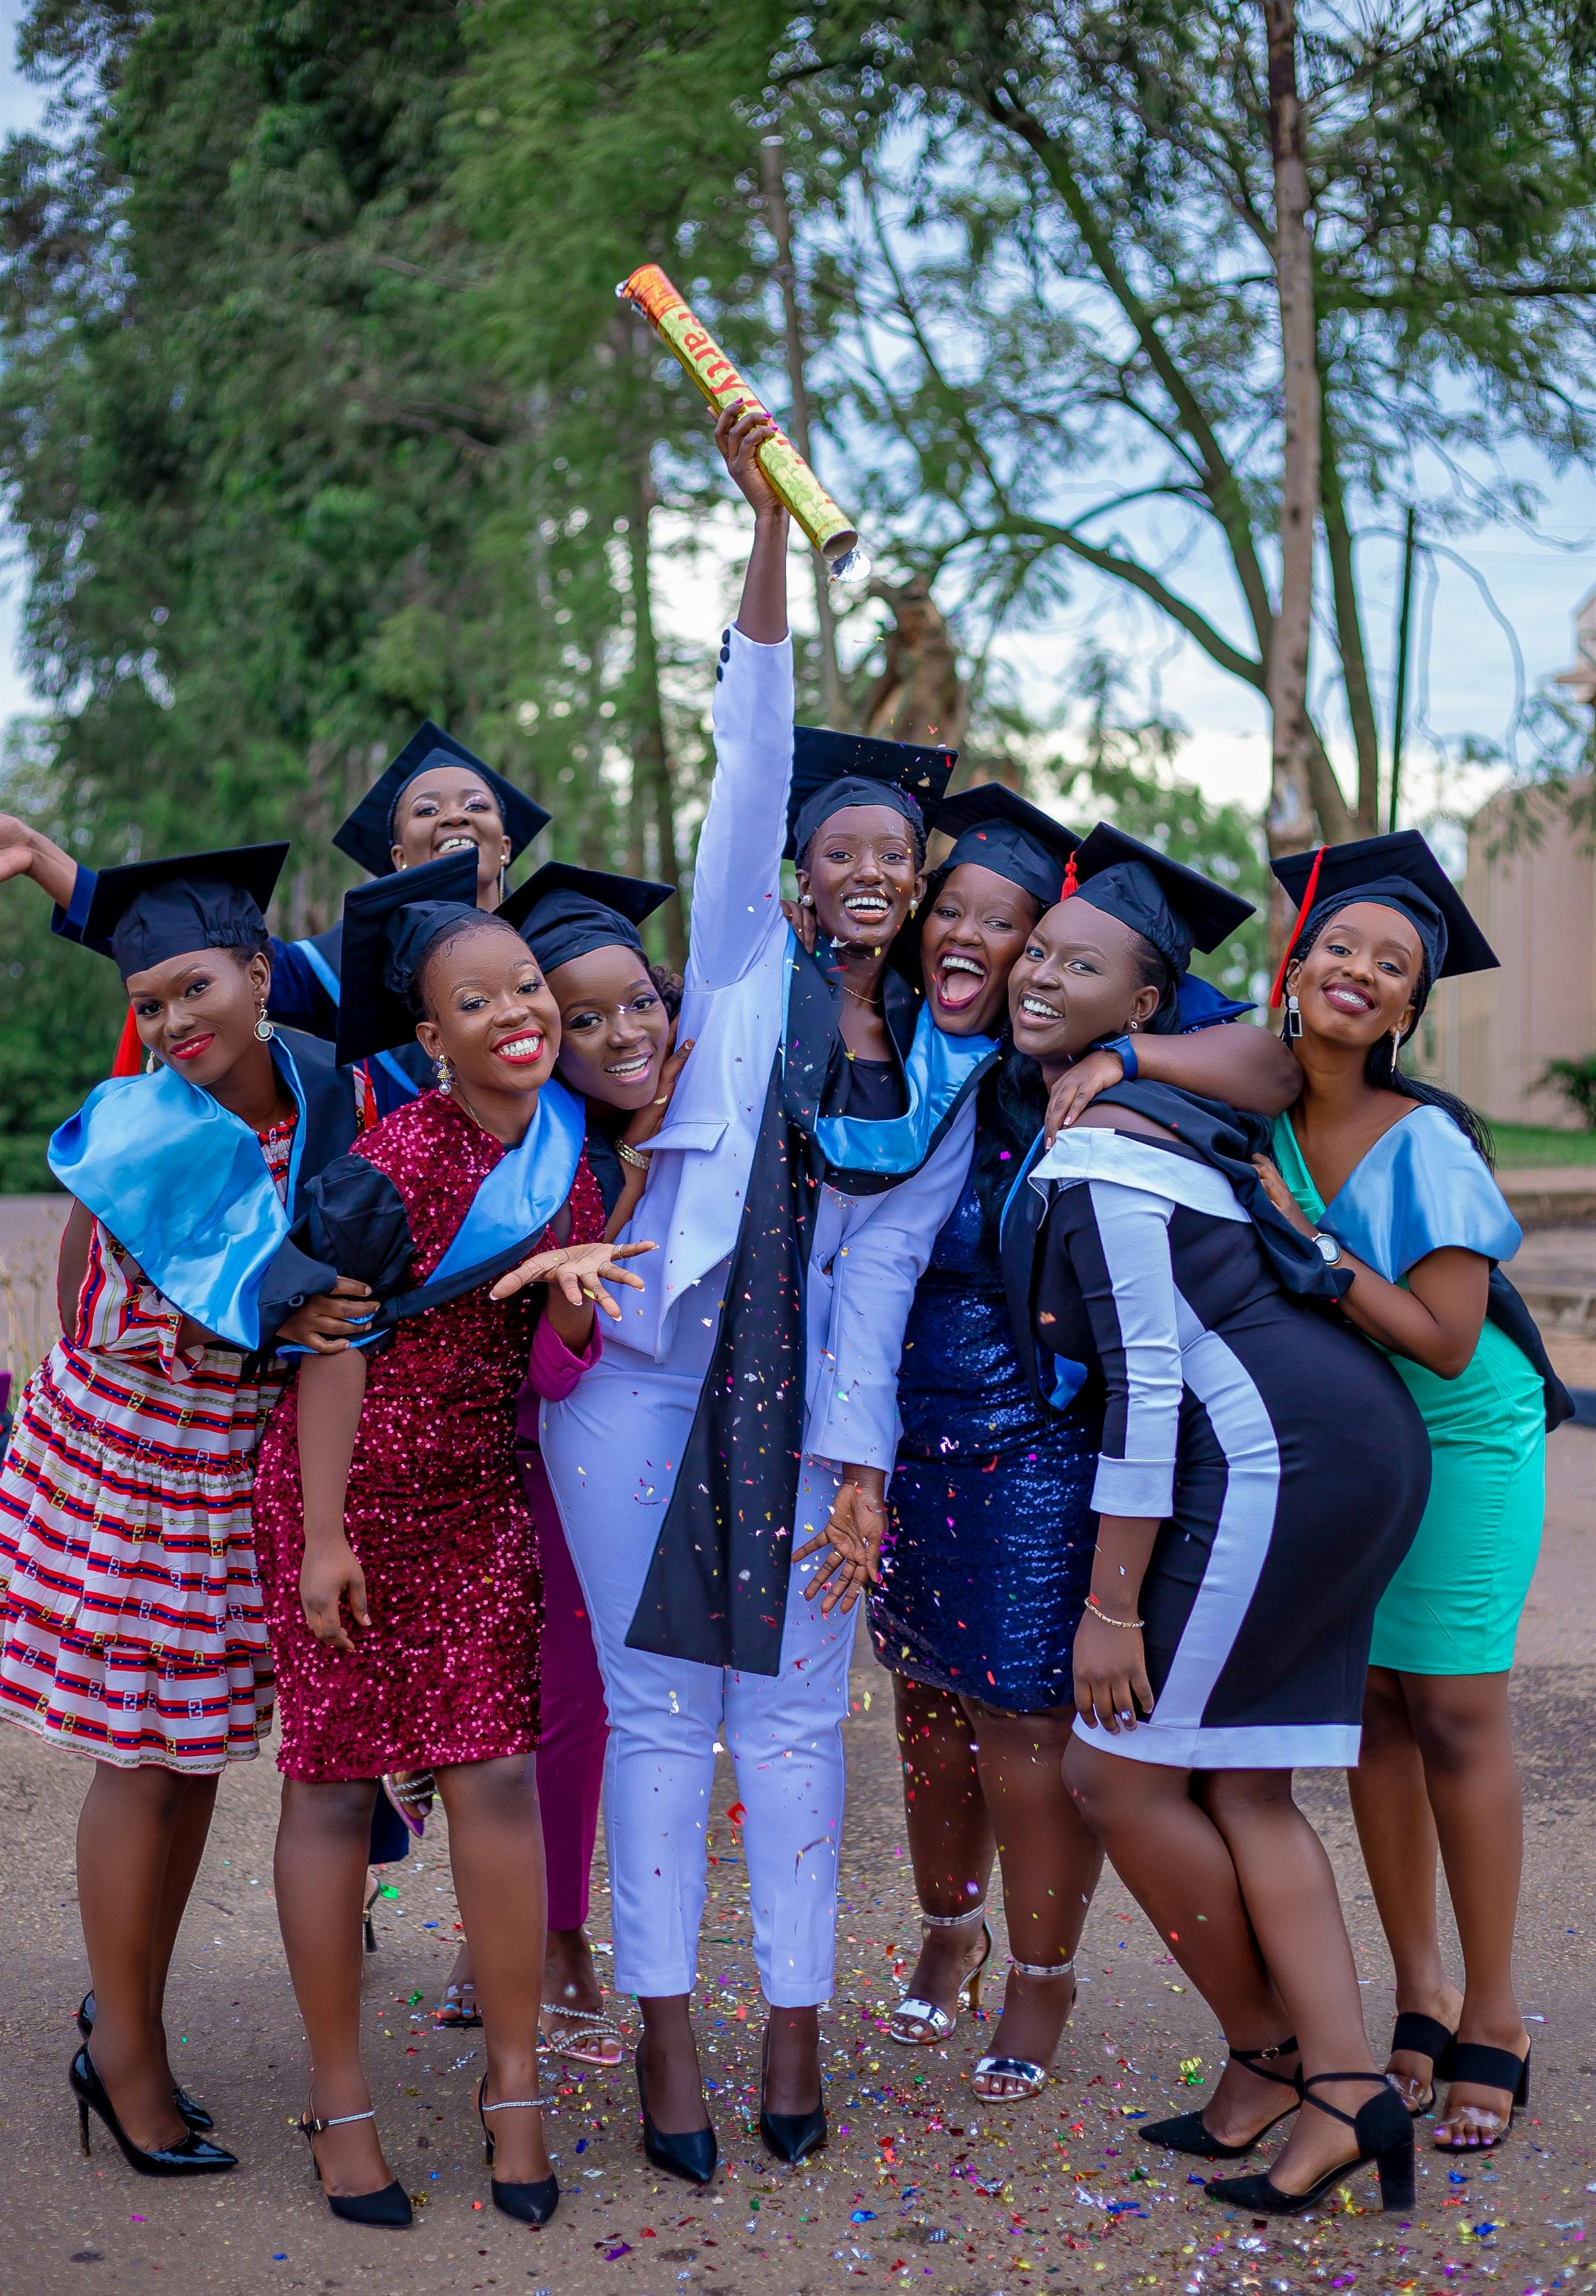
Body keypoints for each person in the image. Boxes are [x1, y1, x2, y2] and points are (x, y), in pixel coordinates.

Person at [535, 403, 981, 2180]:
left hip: (806, 1410)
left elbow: (871, 1280)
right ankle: (665, 2041)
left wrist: (859, 1461)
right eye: (838, 849)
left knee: (795, 1714)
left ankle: (789, 2025)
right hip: (646, 1380)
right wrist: (771, 536)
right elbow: (748, 741)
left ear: (918, 881)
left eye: (893, 856)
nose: (866, 871)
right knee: (655, 1712)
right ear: (800, 869)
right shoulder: (729, 963)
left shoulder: (933, 1080)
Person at [997, 824, 1431, 2215]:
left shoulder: (1113, 1147)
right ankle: (1307, 2076)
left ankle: (1318, 2070)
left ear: (1142, 1004)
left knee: (1114, 1767)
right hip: (1324, 1445)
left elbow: (1144, 1388)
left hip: (1278, 1457)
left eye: (1082, 964)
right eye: (1037, 950)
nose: (1039, 973)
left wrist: (1107, 1606)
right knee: (1238, 1779)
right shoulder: (1138, 1107)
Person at [865, 786, 1301, 2101]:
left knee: (1018, 1717)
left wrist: (1127, 1060)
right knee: (922, 1707)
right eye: (967, 916)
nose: (995, 948)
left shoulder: (1070, 1066)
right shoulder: (910, 1041)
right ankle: (950, 1920)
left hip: (1036, 1437)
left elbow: (1270, 1066)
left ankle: (1039, 1975)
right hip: (906, 1429)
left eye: (1021, 930)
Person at [252, 853, 649, 2230]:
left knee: (493, 1771)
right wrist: (316, 1538)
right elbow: (331, 1352)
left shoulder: (579, 1158)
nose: (517, 1014)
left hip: (477, 1491)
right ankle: (343, 2102)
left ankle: (515, 2084)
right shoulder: (393, 1162)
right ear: (431, 1038)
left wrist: (574, 1299)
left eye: (525, 986)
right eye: (475, 1002)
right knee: (329, 1785)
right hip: (347, 1496)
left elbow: (552, 1365)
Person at [0, 844, 362, 2176]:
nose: (171, 1023)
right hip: (137, 1461)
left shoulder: (331, 1099)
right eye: (148, 1002)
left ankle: (129, 2010)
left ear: (262, 975)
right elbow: (101, 1297)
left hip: (240, 1463)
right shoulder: (145, 1123)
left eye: (193, 987)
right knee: (141, 1759)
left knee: (197, 1753)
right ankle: (127, 2054)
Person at [1255, 830, 1565, 2154]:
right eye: (1339, 944)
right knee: (1370, 1711)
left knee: (1448, 1706)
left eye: (1390, 964)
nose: (1358, 970)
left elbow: (1442, 1336)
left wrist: (1308, 1244)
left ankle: (1492, 2012)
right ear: (1294, 961)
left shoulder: (1422, 1137)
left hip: (1459, 1426)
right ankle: (1418, 1994)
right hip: (1350, 1434)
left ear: (1403, 1009)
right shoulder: (1255, 1102)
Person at [422, 861, 691, 2065]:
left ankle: (576, 1936)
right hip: (484, 1456)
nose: (611, 1035)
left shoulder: (694, 1116)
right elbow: (527, 1353)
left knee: (597, 1701)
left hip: (623, 1450)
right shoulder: (533, 1140)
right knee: (517, 1708)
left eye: (630, 1005)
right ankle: (533, 1932)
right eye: (577, 1017)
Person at [0, 718, 550, 1118]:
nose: (454, 814)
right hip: (418, 1216)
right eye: (426, 810)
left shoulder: (560, 940)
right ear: (398, 858)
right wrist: (41, 857)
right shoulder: (352, 960)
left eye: (476, 805)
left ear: (504, 846)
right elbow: (196, 949)